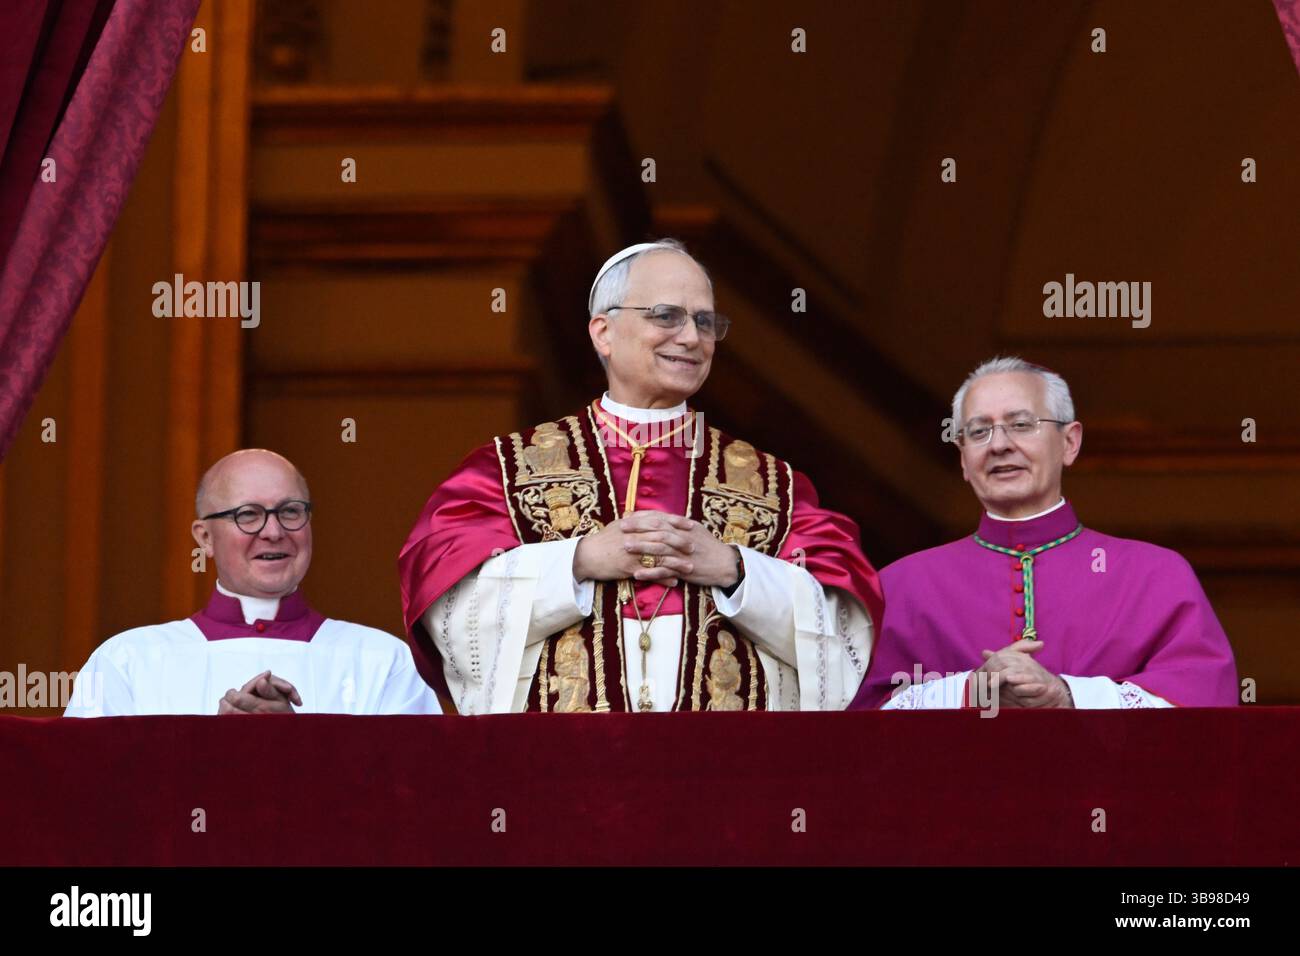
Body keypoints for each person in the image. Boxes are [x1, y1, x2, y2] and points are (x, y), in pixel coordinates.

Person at [399, 239, 882, 713]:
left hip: (725, 774)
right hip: (560, 774)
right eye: (666, 316)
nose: (691, 337)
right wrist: (578, 560)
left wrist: (736, 571)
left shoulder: (774, 484)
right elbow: (451, 616)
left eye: (705, 321)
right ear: (603, 333)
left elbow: (843, 635)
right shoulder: (505, 469)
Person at [850, 357, 1237, 710]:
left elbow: (1204, 706)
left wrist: (1068, 695)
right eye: (979, 431)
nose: (999, 445)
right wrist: (969, 690)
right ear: (963, 459)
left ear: (1070, 442)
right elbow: (854, 725)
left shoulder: (1156, 575)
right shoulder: (898, 586)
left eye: (1021, 424)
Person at [64, 449, 439, 716]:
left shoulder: (383, 661)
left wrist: (297, 746)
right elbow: (95, 803)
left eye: (290, 511)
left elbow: (407, 806)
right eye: (248, 515)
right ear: (204, 538)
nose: (273, 532)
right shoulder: (127, 662)